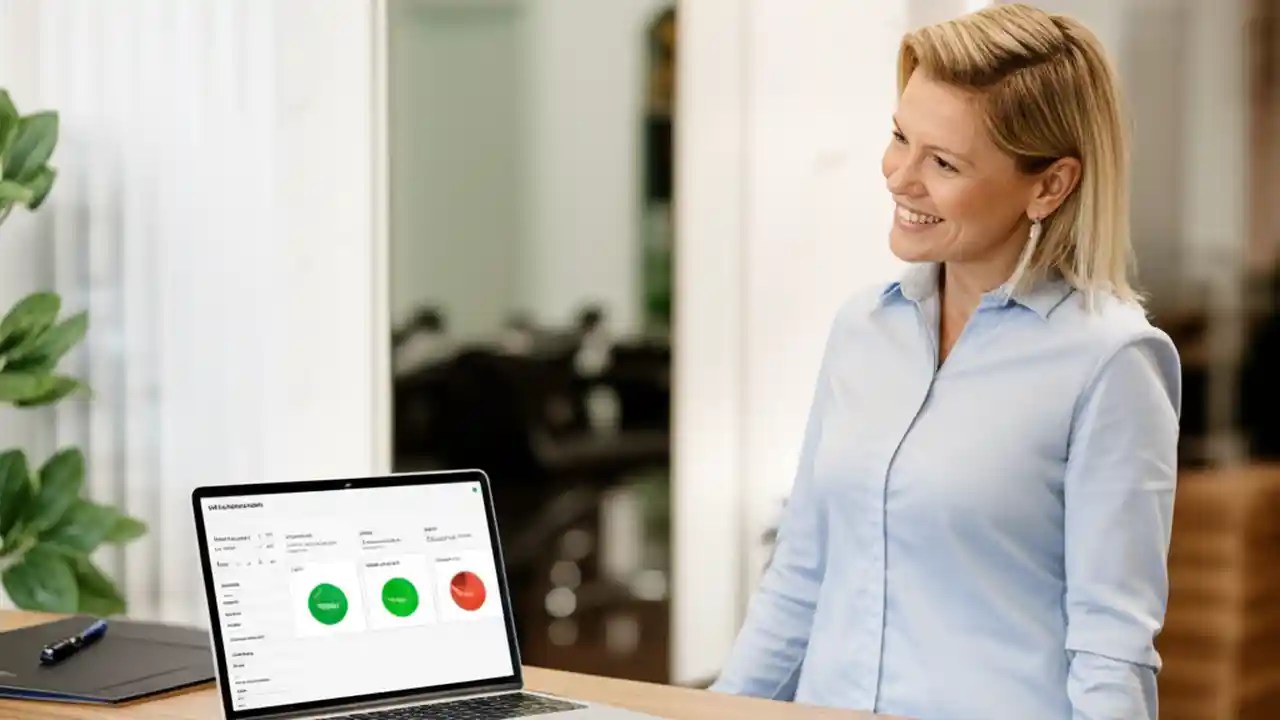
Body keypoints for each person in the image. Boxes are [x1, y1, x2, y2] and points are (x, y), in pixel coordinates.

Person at [712, 5, 1180, 719]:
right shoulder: (864, 329)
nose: (901, 176)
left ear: (1049, 186)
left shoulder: (1112, 360)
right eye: (901, 137)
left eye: (944, 162)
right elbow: (799, 580)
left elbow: (1111, 647)